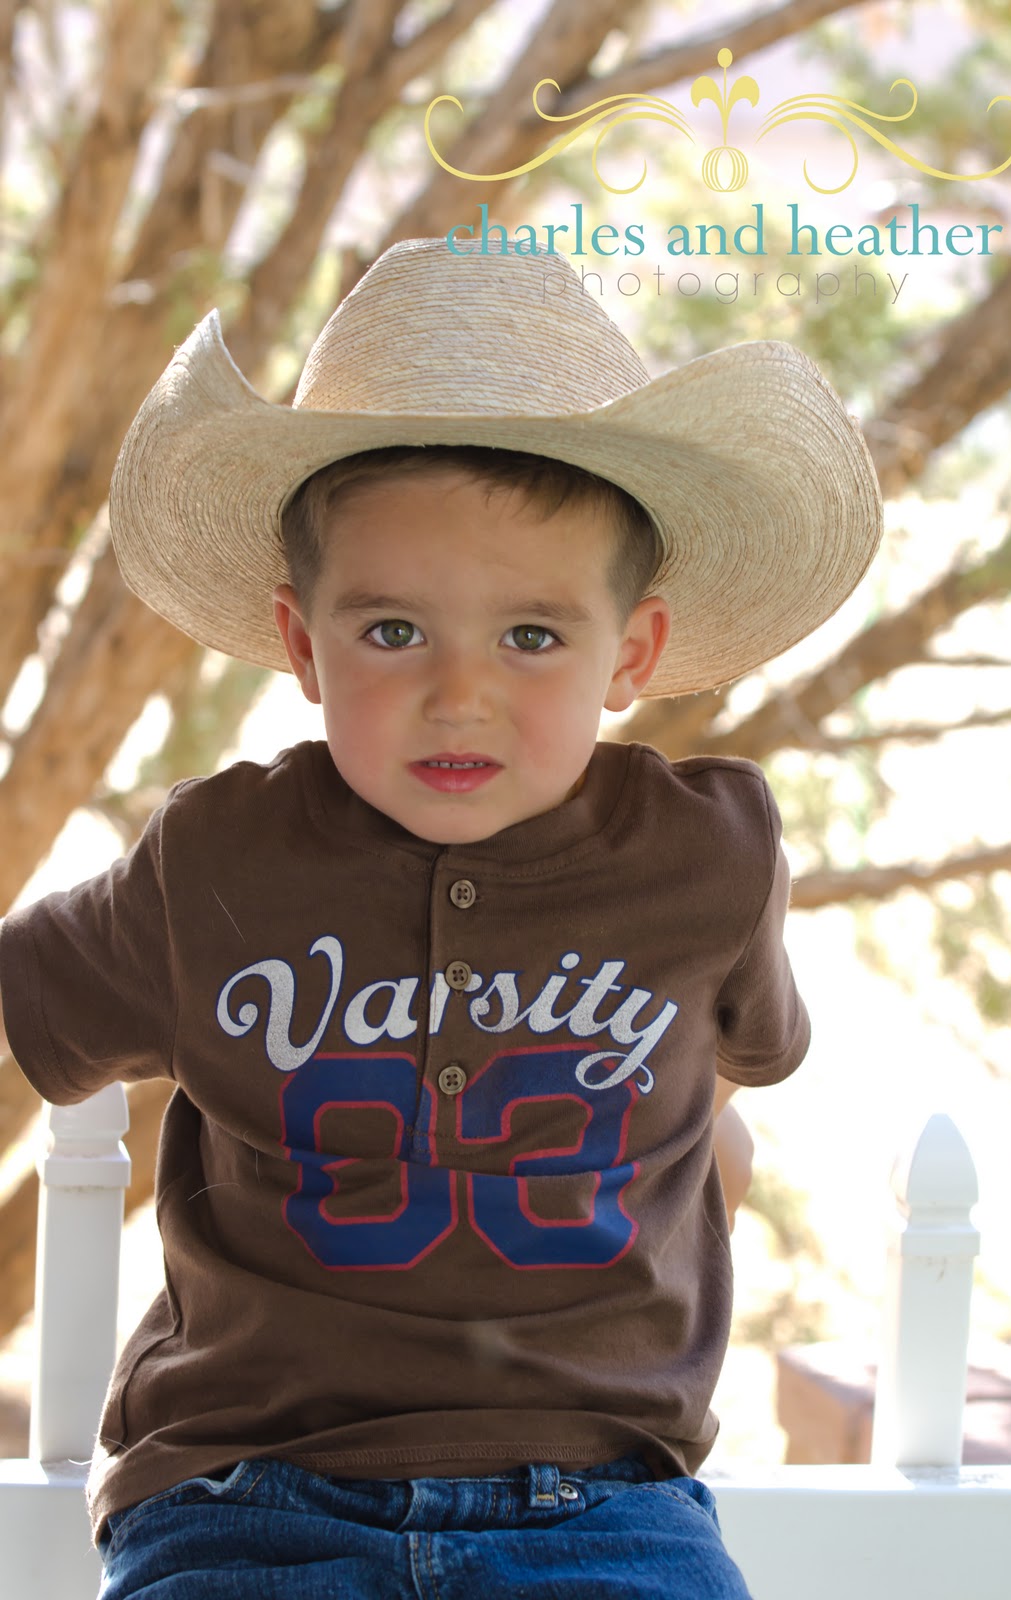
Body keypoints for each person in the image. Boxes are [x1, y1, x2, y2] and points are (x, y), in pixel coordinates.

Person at [0, 236, 882, 1598]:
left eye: (531, 636)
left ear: (629, 654)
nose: (458, 693)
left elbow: (736, 1080)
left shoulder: (704, 858)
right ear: (301, 642)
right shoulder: (217, 863)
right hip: (248, 1492)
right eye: (393, 631)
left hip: (597, 1494)